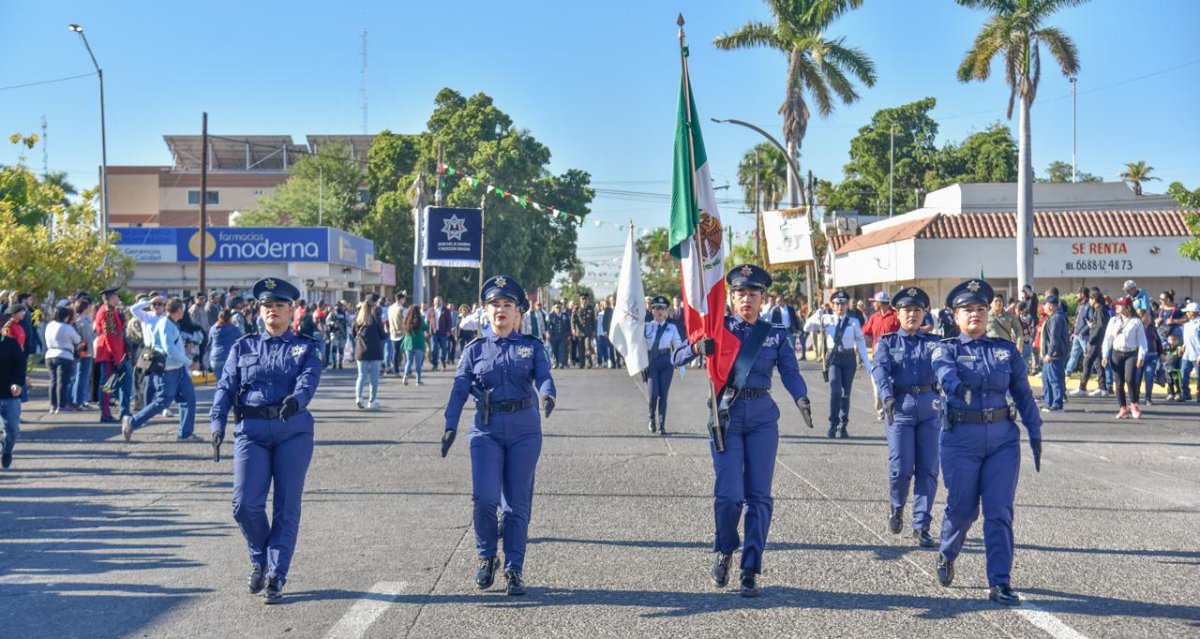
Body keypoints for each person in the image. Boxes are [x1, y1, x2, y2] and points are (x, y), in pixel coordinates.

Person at [672, 264, 811, 597]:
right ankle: (724, 548)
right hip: (727, 418)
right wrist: (696, 348)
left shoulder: (775, 333)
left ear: (763, 298)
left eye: (752, 293)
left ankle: (750, 568)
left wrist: (801, 397)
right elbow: (675, 356)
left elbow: (790, 372)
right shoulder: (716, 328)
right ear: (731, 297)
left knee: (759, 497)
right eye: (740, 293)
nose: (746, 299)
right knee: (730, 496)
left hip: (762, 419)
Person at [210, 277, 323, 604]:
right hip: (252, 431)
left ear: (291, 310)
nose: (272, 310)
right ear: (259, 311)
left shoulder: (306, 346)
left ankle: (276, 574)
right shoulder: (243, 346)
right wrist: (217, 421)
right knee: (244, 504)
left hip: (293, 431)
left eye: (279, 305)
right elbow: (226, 385)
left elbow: (308, 380)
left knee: (286, 506)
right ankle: (260, 558)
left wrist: (297, 400)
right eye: (267, 306)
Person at [931, 278, 1043, 606]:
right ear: (955, 316)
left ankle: (1000, 582)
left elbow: (1023, 394)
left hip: (1002, 442)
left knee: (999, 511)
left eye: (981, 308)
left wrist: (1035, 430)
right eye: (968, 309)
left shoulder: (1005, 351)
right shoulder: (946, 349)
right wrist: (956, 388)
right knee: (963, 509)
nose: (976, 314)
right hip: (960, 441)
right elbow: (944, 373)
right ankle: (947, 552)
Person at [442, 275, 556, 596]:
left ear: (518, 312)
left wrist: (548, 394)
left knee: (515, 505)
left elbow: (544, 376)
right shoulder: (474, 350)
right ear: (486, 311)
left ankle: (514, 569)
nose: (501, 310)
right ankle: (487, 556)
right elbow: (459, 389)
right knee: (485, 499)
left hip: (524, 430)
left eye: (507, 304)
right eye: (495, 304)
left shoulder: (531, 347)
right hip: (486, 431)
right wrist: (450, 424)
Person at [870, 286, 940, 548]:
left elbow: (945, 368)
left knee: (928, 469)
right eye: (907, 310)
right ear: (897, 314)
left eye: (917, 310)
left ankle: (921, 525)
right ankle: (897, 505)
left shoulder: (934, 343)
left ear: (924, 314)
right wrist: (886, 395)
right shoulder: (888, 342)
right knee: (901, 467)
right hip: (899, 408)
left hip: (930, 409)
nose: (912, 314)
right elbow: (879, 369)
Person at [121, 298, 198, 441]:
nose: (184, 312)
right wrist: (189, 362)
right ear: (179, 310)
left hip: (177, 368)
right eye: (183, 310)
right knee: (162, 401)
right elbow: (169, 348)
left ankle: (186, 433)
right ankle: (132, 422)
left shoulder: (169, 322)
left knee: (188, 399)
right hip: (169, 369)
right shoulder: (166, 324)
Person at [804, 290, 870, 439]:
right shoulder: (826, 319)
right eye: (837, 304)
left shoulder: (853, 321)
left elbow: (860, 341)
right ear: (833, 306)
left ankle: (843, 426)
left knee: (846, 394)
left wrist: (867, 362)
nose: (840, 307)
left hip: (848, 358)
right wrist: (816, 315)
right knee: (835, 391)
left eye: (843, 304)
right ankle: (833, 424)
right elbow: (806, 327)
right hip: (833, 359)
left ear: (847, 305)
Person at [1102, 296, 1147, 419]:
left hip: (1131, 353)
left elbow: (1142, 341)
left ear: (1127, 307)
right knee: (1119, 382)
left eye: (1120, 305)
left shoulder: (1136, 322)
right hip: (1116, 353)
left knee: (1129, 378)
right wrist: (1105, 354)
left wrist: (1141, 356)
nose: (1117, 307)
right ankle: (1122, 408)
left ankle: (1134, 405)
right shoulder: (1113, 321)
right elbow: (1108, 338)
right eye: (1116, 305)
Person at [643, 295, 683, 435]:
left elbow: (678, 345)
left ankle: (661, 425)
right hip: (652, 363)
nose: (660, 311)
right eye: (656, 308)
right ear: (652, 310)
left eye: (662, 309)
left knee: (663, 395)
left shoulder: (671, 327)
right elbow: (639, 344)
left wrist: (681, 363)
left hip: (666, 362)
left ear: (666, 311)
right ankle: (651, 418)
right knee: (653, 395)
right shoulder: (646, 327)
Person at [1, 312, 26, 468]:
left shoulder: (11, 344)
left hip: (10, 394)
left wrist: (17, 383)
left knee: (12, 430)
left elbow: (20, 365)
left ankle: (7, 450)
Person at [45, 306, 81, 414]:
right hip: (64, 355)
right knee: (63, 382)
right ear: (66, 317)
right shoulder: (67, 327)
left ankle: (53, 405)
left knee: (53, 381)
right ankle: (61, 405)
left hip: (50, 354)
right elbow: (77, 339)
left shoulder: (49, 325)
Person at [1077, 291, 1113, 397]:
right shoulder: (1099, 309)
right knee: (1098, 364)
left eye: (1091, 299)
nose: (1089, 301)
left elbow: (1100, 327)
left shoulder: (1100, 310)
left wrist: (1091, 340)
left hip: (1097, 341)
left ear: (1094, 300)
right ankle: (1102, 387)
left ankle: (1082, 387)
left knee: (1087, 362)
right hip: (1098, 341)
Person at [352, 299, 387, 409]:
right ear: (372, 308)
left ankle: (359, 397)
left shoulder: (357, 320)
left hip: (361, 350)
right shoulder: (375, 319)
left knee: (361, 375)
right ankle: (372, 400)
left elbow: (354, 334)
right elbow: (383, 335)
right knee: (374, 376)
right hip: (375, 351)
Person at [1039, 294, 1069, 412]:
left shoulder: (1056, 318)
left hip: (1055, 355)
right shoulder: (1052, 317)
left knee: (1055, 380)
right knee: (1046, 379)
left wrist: (1050, 353)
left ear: (1051, 306)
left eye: (1045, 305)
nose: (1043, 307)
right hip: (1050, 355)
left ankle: (1057, 404)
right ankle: (1049, 402)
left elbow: (1054, 338)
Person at [1138, 308, 1162, 405]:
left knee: (1149, 377)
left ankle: (1148, 398)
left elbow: (1158, 341)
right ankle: (1135, 398)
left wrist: (1161, 353)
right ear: (1141, 317)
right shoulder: (1137, 327)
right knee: (1137, 378)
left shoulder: (1152, 327)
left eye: (1149, 316)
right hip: (1139, 357)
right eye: (1147, 316)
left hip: (1152, 356)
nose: (1150, 317)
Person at [401, 304, 429, 386]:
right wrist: (427, 321)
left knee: (408, 361)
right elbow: (426, 327)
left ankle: (405, 376)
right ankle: (418, 380)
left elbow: (403, 328)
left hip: (408, 343)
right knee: (418, 363)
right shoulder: (420, 320)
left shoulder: (407, 319)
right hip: (418, 343)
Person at [209, 309, 242, 377]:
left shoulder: (213, 329)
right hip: (229, 358)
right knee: (230, 381)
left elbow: (209, 343)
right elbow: (241, 342)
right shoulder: (234, 329)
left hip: (215, 359)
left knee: (220, 381)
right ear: (230, 318)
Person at [1182, 302, 1200, 402]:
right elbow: (1186, 339)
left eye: (1188, 311)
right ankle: (1186, 393)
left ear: (1194, 312)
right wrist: (1183, 347)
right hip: (1187, 354)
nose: (1187, 313)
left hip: (1197, 355)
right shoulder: (1187, 325)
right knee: (1184, 374)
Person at [430, 296, 454, 371]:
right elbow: (429, 321)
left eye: (439, 301)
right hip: (434, 332)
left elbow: (449, 321)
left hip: (443, 332)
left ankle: (443, 362)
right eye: (436, 301)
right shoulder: (431, 310)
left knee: (443, 349)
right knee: (434, 348)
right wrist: (429, 331)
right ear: (434, 302)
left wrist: (448, 331)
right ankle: (435, 365)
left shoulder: (445, 310)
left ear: (441, 301)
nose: (437, 302)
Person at [387, 294, 406, 375]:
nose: (404, 301)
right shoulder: (402, 309)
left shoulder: (390, 308)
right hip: (402, 333)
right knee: (406, 352)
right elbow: (406, 320)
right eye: (404, 299)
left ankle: (396, 370)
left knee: (395, 352)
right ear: (401, 299)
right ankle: (407, 371)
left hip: (393, 333)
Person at [547, 302, 569, 369]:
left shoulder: (565, 315)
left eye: (559, 308)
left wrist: (569, 334)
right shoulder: (551, 315)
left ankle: (561, 363)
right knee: (554, 350)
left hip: (562, 335)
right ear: (554, 308)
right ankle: (555, 362)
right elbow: (548, 325)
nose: (558, 309)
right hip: (554, 336)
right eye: (557, 308)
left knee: (562, 349)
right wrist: (548, 333)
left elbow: (568, 325)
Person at [328, 302, 348, 370]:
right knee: (334, 348)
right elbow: (327, 321)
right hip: (334, 333)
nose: (338, 307)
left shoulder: (344, 313)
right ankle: (334, 363)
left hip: (342, 334)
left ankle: (340, 363)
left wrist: (343, 323)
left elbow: (348, 321)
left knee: (341, 349)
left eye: (340, 306)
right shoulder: (332, 314)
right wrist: (333, 323)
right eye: (337, 306)